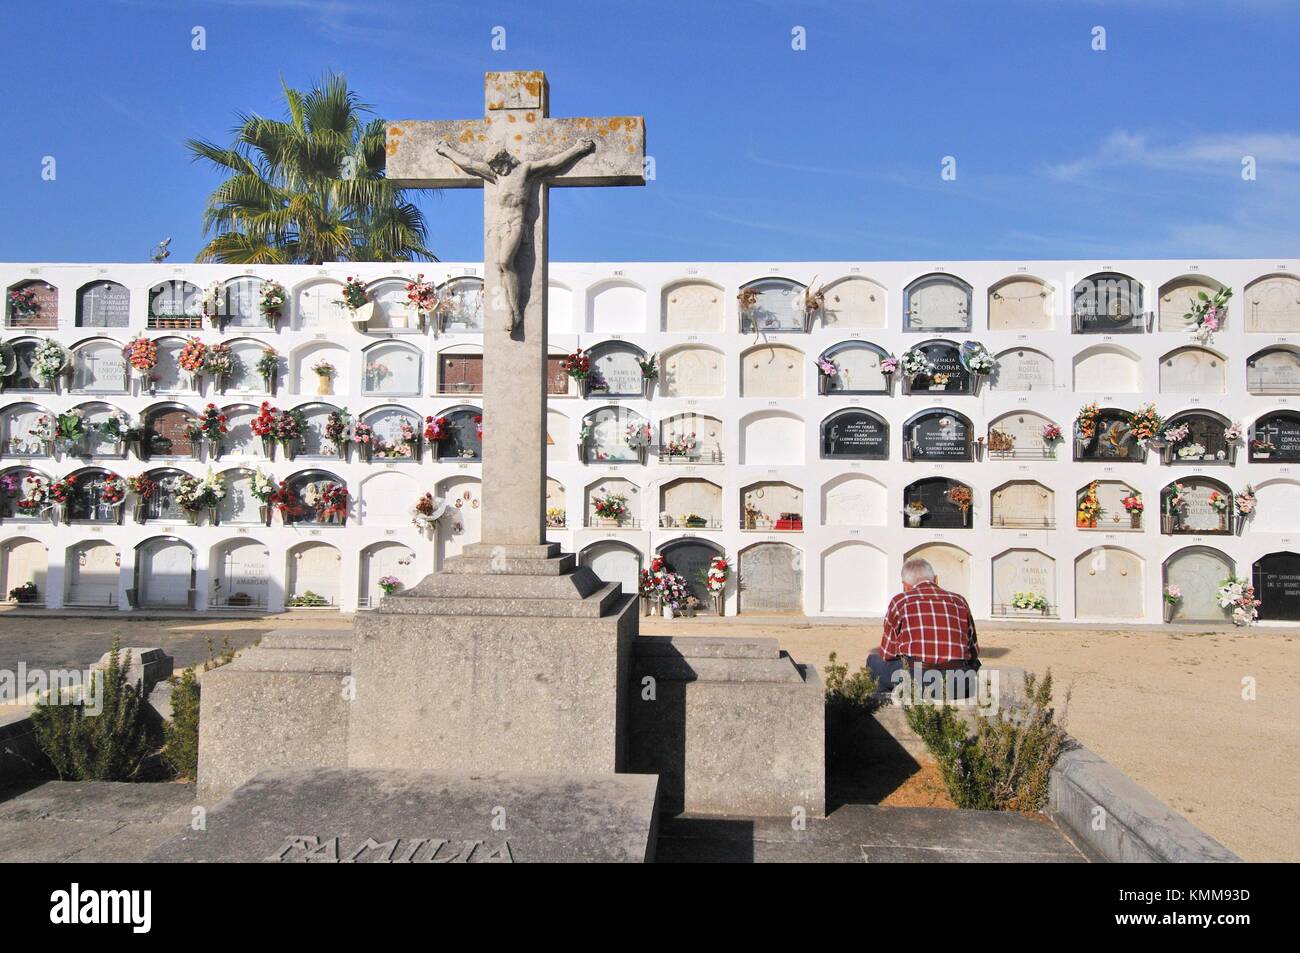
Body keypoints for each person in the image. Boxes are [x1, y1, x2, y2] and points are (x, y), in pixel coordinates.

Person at [867, 557, 980, 699]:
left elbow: (887, 654)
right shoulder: (959, 601)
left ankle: (882, 707)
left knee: (874, 662)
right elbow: (974, 651)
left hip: (917, 681)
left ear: (906, 586)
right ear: (936, 579)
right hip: (958, 681)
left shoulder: (900, 601)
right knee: (974, 664)